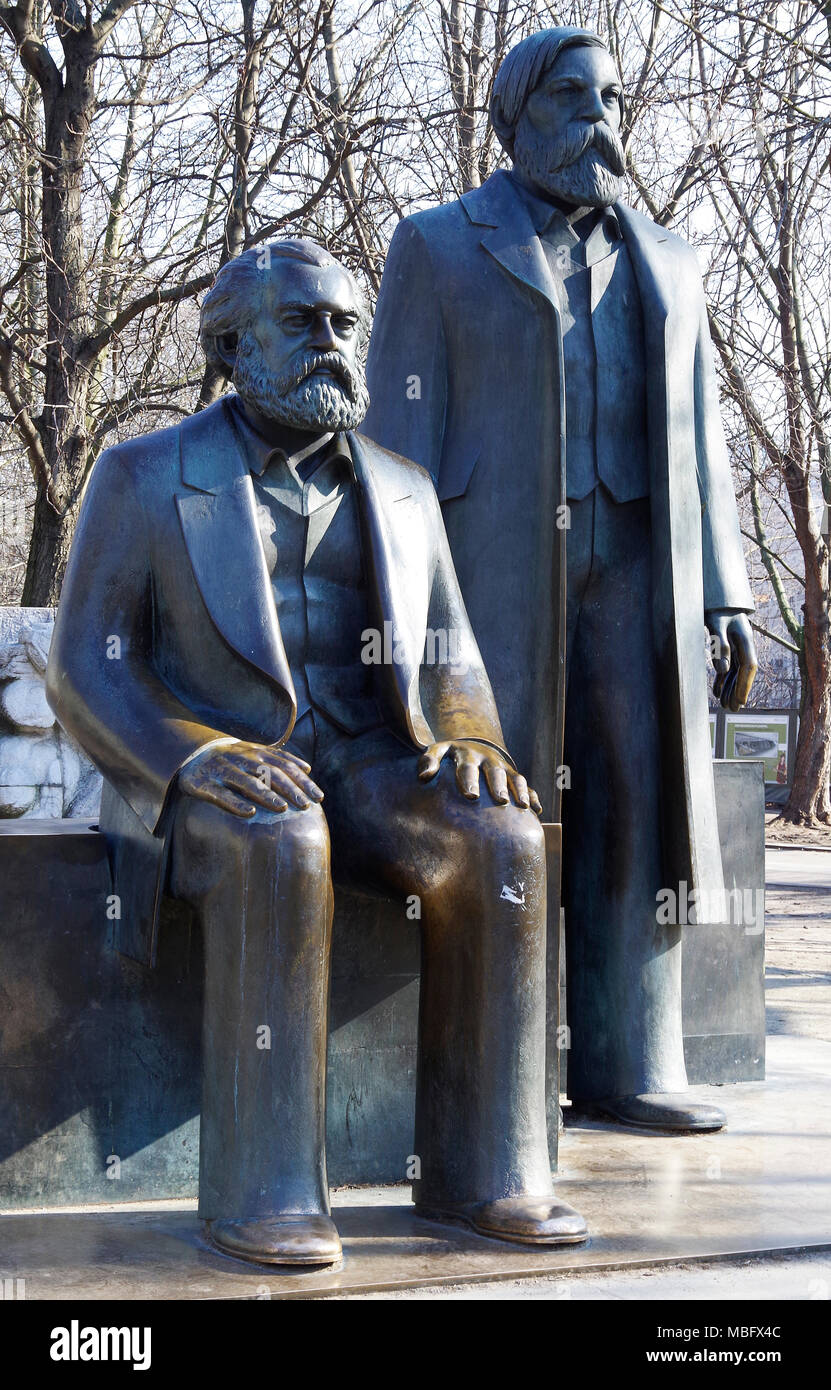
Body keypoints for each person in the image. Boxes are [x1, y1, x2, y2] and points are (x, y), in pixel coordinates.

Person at [46, 238, 587, 1265]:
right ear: (230, 343)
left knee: (501, 838)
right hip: (214, 770)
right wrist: (190, 757)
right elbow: (86, 665)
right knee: (283, 831)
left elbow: (449, 660)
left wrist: (472, 738)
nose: (333, 343)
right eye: (303, 322)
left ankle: (490, 1172)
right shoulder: (144, 474)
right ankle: (268, 1189)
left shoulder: (404, 487)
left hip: (377, 761)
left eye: (344, 323)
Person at [364, 28, 758, 1131]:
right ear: (514, 117)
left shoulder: (669, 263)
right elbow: (395, 446)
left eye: (612, 96)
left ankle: (634, 1062)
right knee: (508, 803)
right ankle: (504, 1075)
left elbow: (705, 440)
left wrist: (725, 593)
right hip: (495, 564)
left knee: (640, 806)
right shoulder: (439, 247)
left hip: (642, 570)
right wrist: (397, 606)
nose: (599, 117)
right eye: (572, 97)